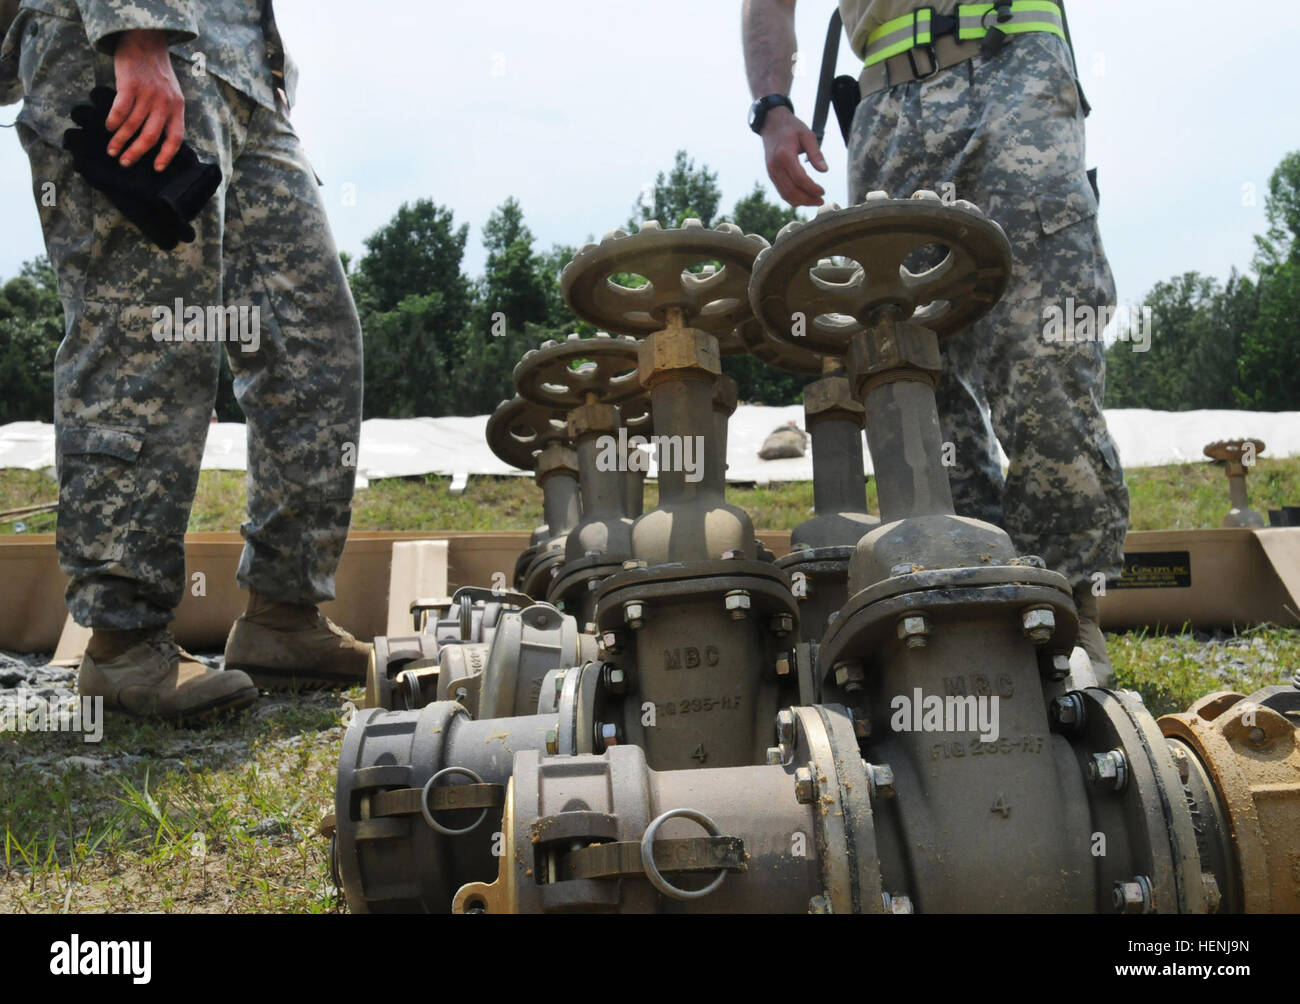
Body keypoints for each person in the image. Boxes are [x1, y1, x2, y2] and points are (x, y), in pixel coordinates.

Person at [1, 0, 370, 722]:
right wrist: (135, 31)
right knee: (147, 336)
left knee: (313, 342)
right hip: (123, 46)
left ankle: (283, 615)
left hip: (242, 77)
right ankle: (123, 642)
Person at [742, 0, 1129, 682]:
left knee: (1046, 355)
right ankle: (971, 594)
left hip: (1018, 66)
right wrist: (772, 108)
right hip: (889, 100)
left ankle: (1068, 611)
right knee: (911, 367)